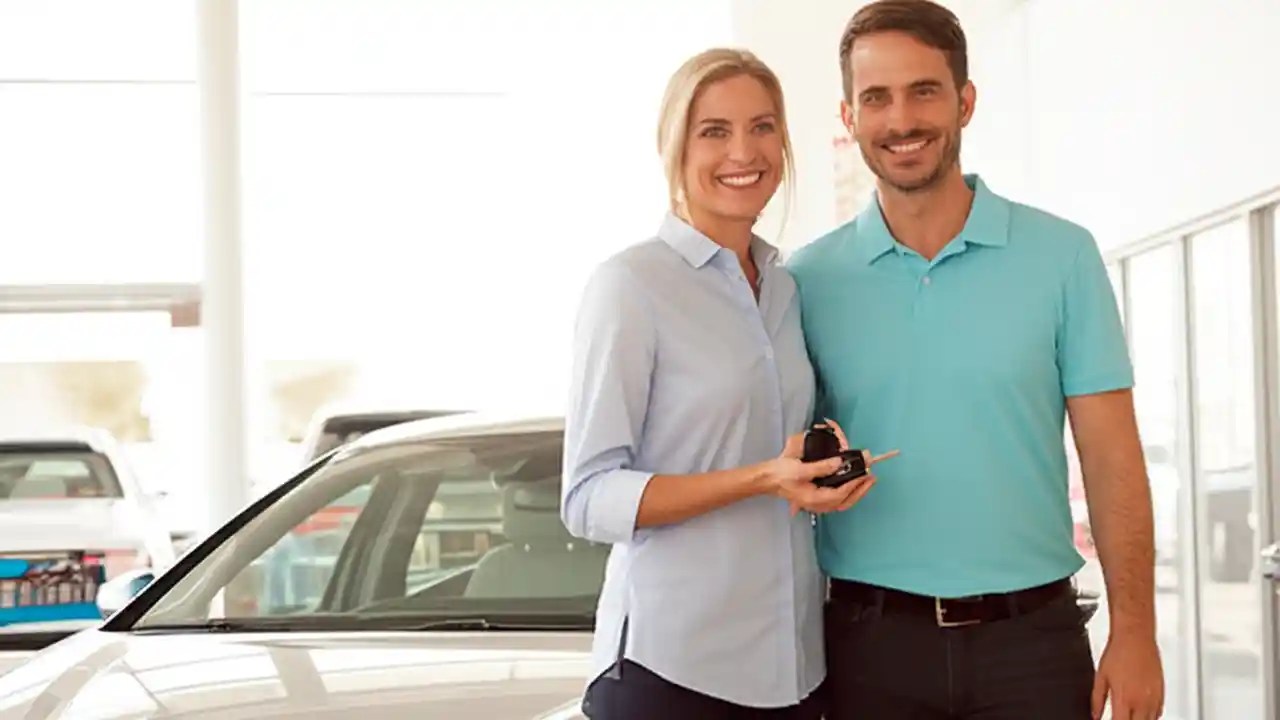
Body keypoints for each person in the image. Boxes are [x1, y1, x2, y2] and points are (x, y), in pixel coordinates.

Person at [786, 2, 1165, 719]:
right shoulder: (805, 281)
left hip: (1034, 647)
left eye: (924, 91)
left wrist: (1136, 633)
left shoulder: (1062, 257)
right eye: (877, 97)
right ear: (849, 117)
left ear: (965, 101)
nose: (902, 119)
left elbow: (1112, 457)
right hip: (868, 648)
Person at [560, 48, 890, 719]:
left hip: (795, 671)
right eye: (714, 130)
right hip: (672, 672)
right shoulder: (631, 286)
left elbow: (769, 441)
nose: (744, 151)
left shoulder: (787, 288)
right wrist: (761, 479)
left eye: (762, 127)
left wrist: (819, 466)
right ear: (675, 147)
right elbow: (588, 497)